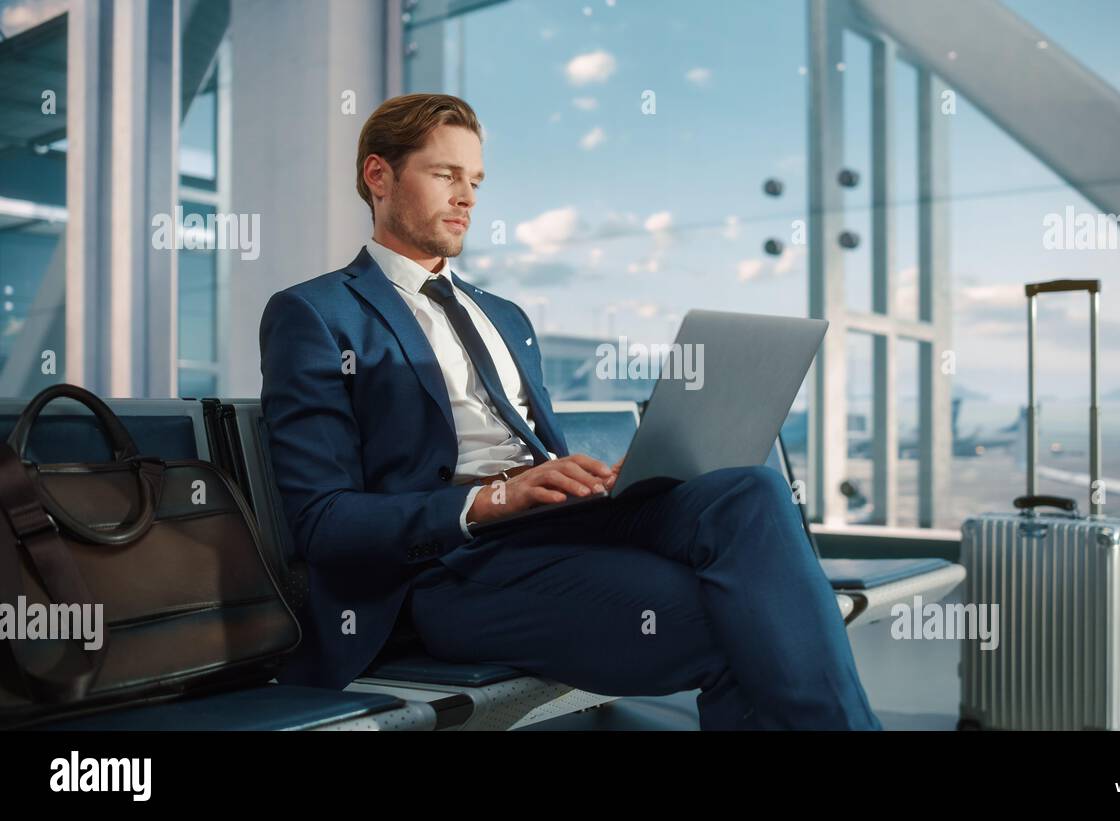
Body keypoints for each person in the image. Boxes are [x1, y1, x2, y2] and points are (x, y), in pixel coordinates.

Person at [258, 93, 882, 730]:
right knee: (749, 623)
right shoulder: (315, 313)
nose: (467, 197)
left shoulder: (504, 315)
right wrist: (497, 500)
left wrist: (588, 480)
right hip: (449, 568)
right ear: (378, 176)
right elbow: (323, 521)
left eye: (475, 181)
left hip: (560, 525)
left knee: (749, 489)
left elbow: (534, 448)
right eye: (446, 175)